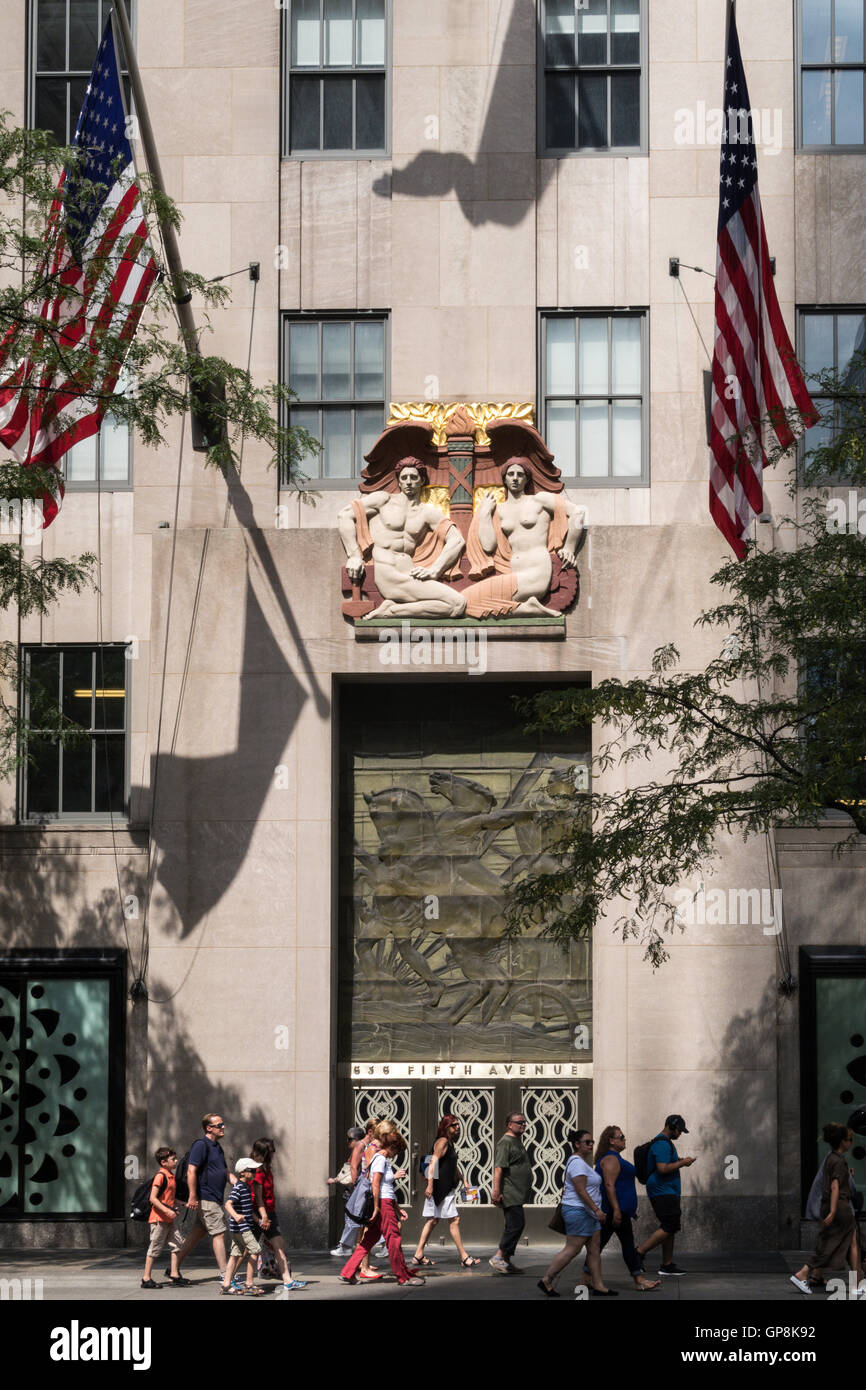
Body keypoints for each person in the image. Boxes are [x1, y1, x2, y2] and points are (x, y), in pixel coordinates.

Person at [339, 458, 467, 618]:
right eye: (404, 477)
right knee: (457, 603)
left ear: (422, 481)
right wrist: (354, 556)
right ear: (399, 481)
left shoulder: (427, 512)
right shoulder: (383, 500)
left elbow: (457, 540)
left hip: (411, 573)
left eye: (413, 477)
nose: (409, 482)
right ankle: (390, 611)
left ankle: (392, 609)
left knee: (457, 605)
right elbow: (345, 515)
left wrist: (434, 570)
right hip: (389, 572)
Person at [462, 457, 585, 618]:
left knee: (466, 601)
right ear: (504, 479)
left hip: (536, 573)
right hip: (513, 573)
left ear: (526, 479)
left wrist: (569, 547)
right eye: (511, 474)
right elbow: (488, 546)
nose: (515, 478)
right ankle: (527, 608)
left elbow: (578, 513)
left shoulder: (539, 500)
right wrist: (485, 513)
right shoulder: (499, 510)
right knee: (466, 601)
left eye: (520, 474)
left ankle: (528, 608)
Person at [340, 1121, 424, 1287]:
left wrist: (397, 1208)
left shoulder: (381, 1158)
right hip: (383, 1204)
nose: (395, 1155)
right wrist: (378, 1207)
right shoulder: (380, 1158)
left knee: (369, 1239)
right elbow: (376, 1184)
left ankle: (348, 1272)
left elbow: (384, 1187)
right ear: (390, 1146)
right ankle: (402, 1277)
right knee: (394, 1238)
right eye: (396, 1151)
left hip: (385, 1203)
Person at [579, 1126, 659, 1292]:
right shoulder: (611, 1159)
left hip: (617, 1210)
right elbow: (609, 1185)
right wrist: (616, 1210)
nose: (624, 1139)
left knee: (600, 1245)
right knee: (625, 1245)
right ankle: (639, 1280)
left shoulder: (614, 1158)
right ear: (611, 1141)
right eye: (621, 1137)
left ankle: (586, 1277)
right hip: (614, 1211)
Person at [538, 1130, 615, 1296]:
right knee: (572, 1249)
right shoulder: (577, 1163)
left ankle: (598, 1285)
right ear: (577, 1144)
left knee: (594, 1250)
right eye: (587, 1142)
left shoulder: (582, 1163)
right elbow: (581, 1190)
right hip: (579, 1211)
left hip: (588, 1213)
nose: (591, 1144)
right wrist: (597, 1210)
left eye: (592, 1141)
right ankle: (546, 1280)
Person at [791, 1123, 859, 1294]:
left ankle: (815, 1275)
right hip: (841, 1208)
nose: (851, 1143)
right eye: (850, 1140)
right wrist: (834, 1211)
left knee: (834, 1243)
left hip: (833, 1207)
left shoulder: (831, 1158)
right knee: (838, 1245)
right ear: (843, 1142)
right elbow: (835, 1187)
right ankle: (805, 1273)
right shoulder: (838, 1161)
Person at [409, 1114, 479, 1270]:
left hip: (443, 1187)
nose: (457, 1127)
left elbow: (452, 1164)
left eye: (458, 1125)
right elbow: (432, 1163)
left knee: (432, 1220)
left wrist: (463, 1179)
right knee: (454, 1220)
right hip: (441, 1188)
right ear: (446, 1127)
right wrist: (430, 1186)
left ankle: (418, 1254)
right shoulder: (442, 1142)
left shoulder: (449, 1142)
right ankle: (464, 1257)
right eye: (454, 1125)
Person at [173, 1112, 236, 1280]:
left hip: (213, 1197)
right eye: (219, 1125)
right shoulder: (201, 1145)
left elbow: (225, 1172)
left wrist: (239, 1185)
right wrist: (192, 1196)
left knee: (197, 1233)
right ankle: (225, 1274)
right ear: (209, 1128)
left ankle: (172, 1268)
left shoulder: (217, 1147)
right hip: (206, 1197)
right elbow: (191, 1170)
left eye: (223, 1124)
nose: (223, 1127)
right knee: (219, 1233)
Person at [636, 1114, 695, 1277]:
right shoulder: (662, 1144)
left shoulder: (664, 1143)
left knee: (670, 1227)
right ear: (672, 1127)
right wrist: (683, 1163)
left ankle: (667, 1265)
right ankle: (639, 1252)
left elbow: (665, 1164)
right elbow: (662, 1168)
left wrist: (679, 1160)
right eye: (679, 1130)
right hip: (662, 1191)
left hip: (667, 1190)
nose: (680, 1134)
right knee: (670, 1225)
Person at [249, 1137, 307, 1292]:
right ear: (264, 1152)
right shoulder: (257, 1172)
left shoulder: (267, 1169)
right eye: (271, 1150)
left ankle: (287, 1280)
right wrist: (262, 1218)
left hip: (269, 1213)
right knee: (247, 1250)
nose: (274, 1153)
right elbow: (258, 1198)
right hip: (258, 1215)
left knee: (279, 1245)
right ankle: (232, 1278)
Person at [490, 1111, 533, 1274]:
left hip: (517, 1192)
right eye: (519, 1122)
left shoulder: (516, 1140)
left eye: (524, 1122)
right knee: (516, 1224)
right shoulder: (505, 1142)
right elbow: (499, 1168)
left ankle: (506, 1261)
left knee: (514, 1224)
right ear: (509, 1125)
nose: (523, 1124)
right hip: (510, 1192)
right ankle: (499, 1256)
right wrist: (496, 1190)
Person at [141, 1147, 189, 1289]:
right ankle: (146, 1278)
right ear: (163, 1162)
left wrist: (183, 1203)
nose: (176, 1161)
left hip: (169, 1219)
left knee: (177, 1244)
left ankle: (174, 1274)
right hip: (159, 1219)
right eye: (173, 1159)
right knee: (155, 1248)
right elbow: (153, 1198)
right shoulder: (160, 1176)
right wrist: (167, 1211)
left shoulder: (170, 1176)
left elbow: (169, 1199)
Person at [220, 1158, 268, 1296]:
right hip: (242, 1228)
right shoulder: (239, 1187)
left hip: (239, 1228)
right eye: (251, 1170)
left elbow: (248, 1209)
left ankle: (226, 1285)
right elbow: (228, 1204)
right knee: (255, 1250)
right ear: (242, 1172)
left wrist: (258, 1221)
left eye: (255, 1170)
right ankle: (249, 1283)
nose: (254, 1173)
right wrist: (236, 1216)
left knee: (234, 1255)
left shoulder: (247, 1187)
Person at [329, 1124, 369, 1258]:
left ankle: (345, 1246)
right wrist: (336, 1179)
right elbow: (347, 1171)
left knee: (352, 1217)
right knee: (359, 1217)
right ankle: (384, 1243)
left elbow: (353, 1169)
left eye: (350, 1139)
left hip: (356, 1189)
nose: (348, 1142)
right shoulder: (361, 1149)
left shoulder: (359, 1149)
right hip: (356, 1189)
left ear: (356, 1140)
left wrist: (355, 1185)